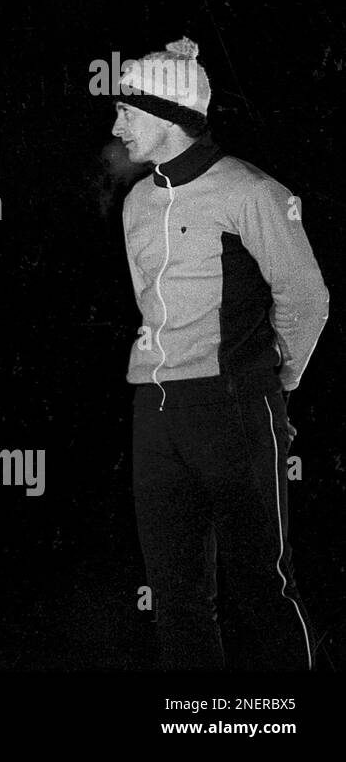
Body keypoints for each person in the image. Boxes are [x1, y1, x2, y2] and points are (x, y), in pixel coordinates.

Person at [112, 37, 329, 670]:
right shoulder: (135, 204)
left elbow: (307, 297)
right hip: (154, 411)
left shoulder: (253, 192)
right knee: (176, 596)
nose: (117, 124)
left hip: (233, 403)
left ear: (167, 116)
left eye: (127, 110)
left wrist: (273, 381)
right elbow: (151, 309)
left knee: (262, 584)